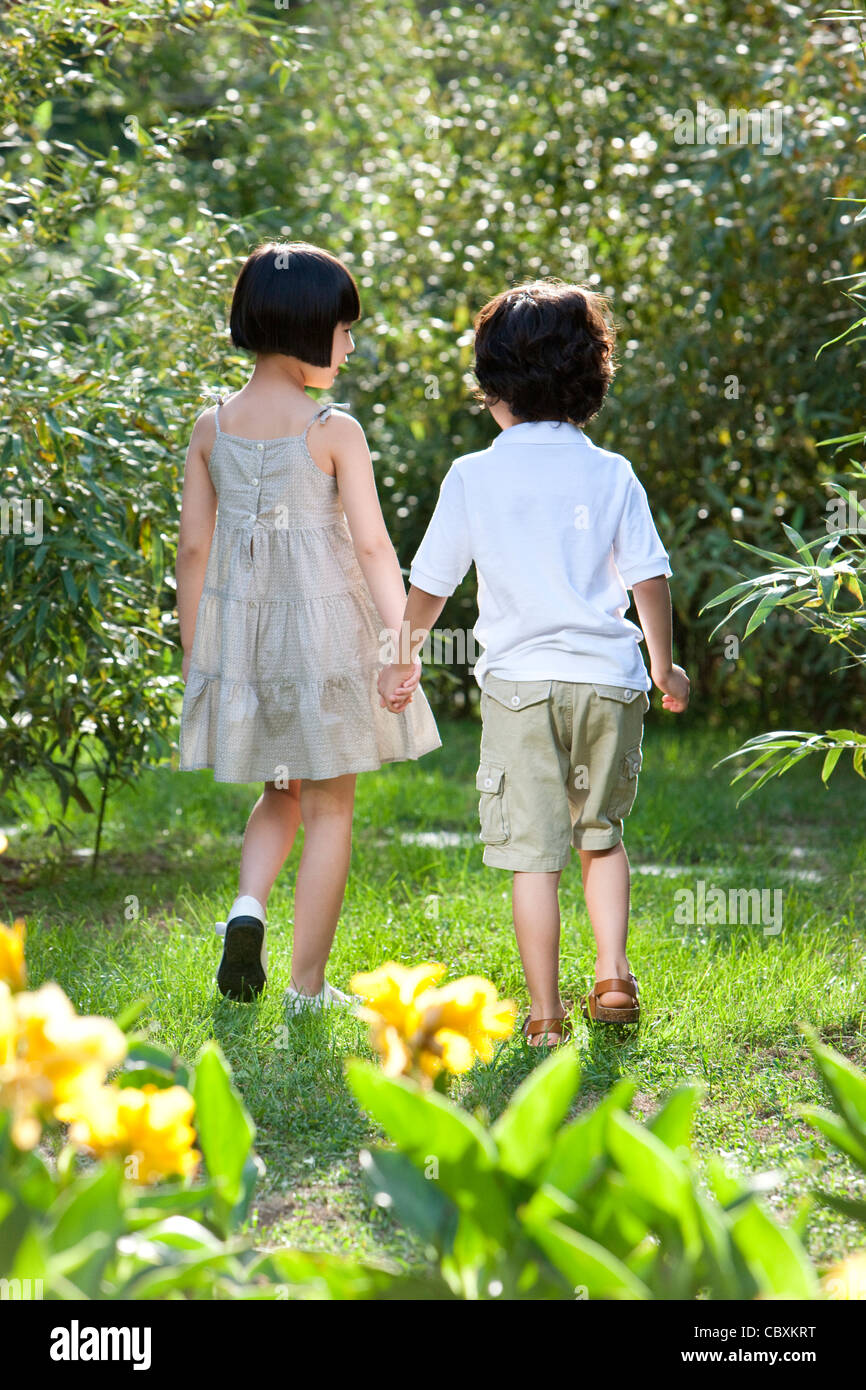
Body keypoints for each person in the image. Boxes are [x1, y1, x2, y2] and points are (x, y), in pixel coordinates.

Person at [378, 279, 689, 1045]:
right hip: (609, 685)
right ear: (592, 381)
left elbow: (432, 585)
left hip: (518, 688)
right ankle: (612, 976)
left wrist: (402, 656)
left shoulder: (474, 476)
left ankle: (546, 1015)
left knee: (532, 858)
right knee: (601, 836)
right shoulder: (611, 473)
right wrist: (663, 665)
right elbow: (649, 576)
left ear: (492, 387)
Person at [176, 241, 441, 1008]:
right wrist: (400, 644)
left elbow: (192, 551)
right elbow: (374, 547)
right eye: (344, 330)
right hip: (328, 644)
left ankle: (247, 907)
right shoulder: (333, 429)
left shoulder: (210, 427)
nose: (350, 346)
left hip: (247, 645)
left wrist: (200, 653)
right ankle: (307, 987)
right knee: (329, 806)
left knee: (279, 789)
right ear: (304, 328)